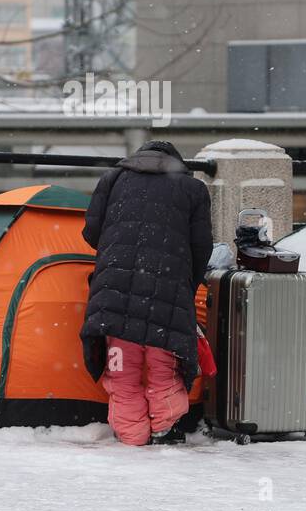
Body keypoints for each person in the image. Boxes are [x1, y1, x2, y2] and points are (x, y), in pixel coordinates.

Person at [80, 140, 213, 445]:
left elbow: (91, 232)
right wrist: (186, 284)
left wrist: (119, 250)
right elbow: (201, 245)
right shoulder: (192, 189)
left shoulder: (113, 178)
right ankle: (164, 430)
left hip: (113, 284)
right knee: (162, 365)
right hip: (168, 286)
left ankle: (131, 436)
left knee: (122, 371)